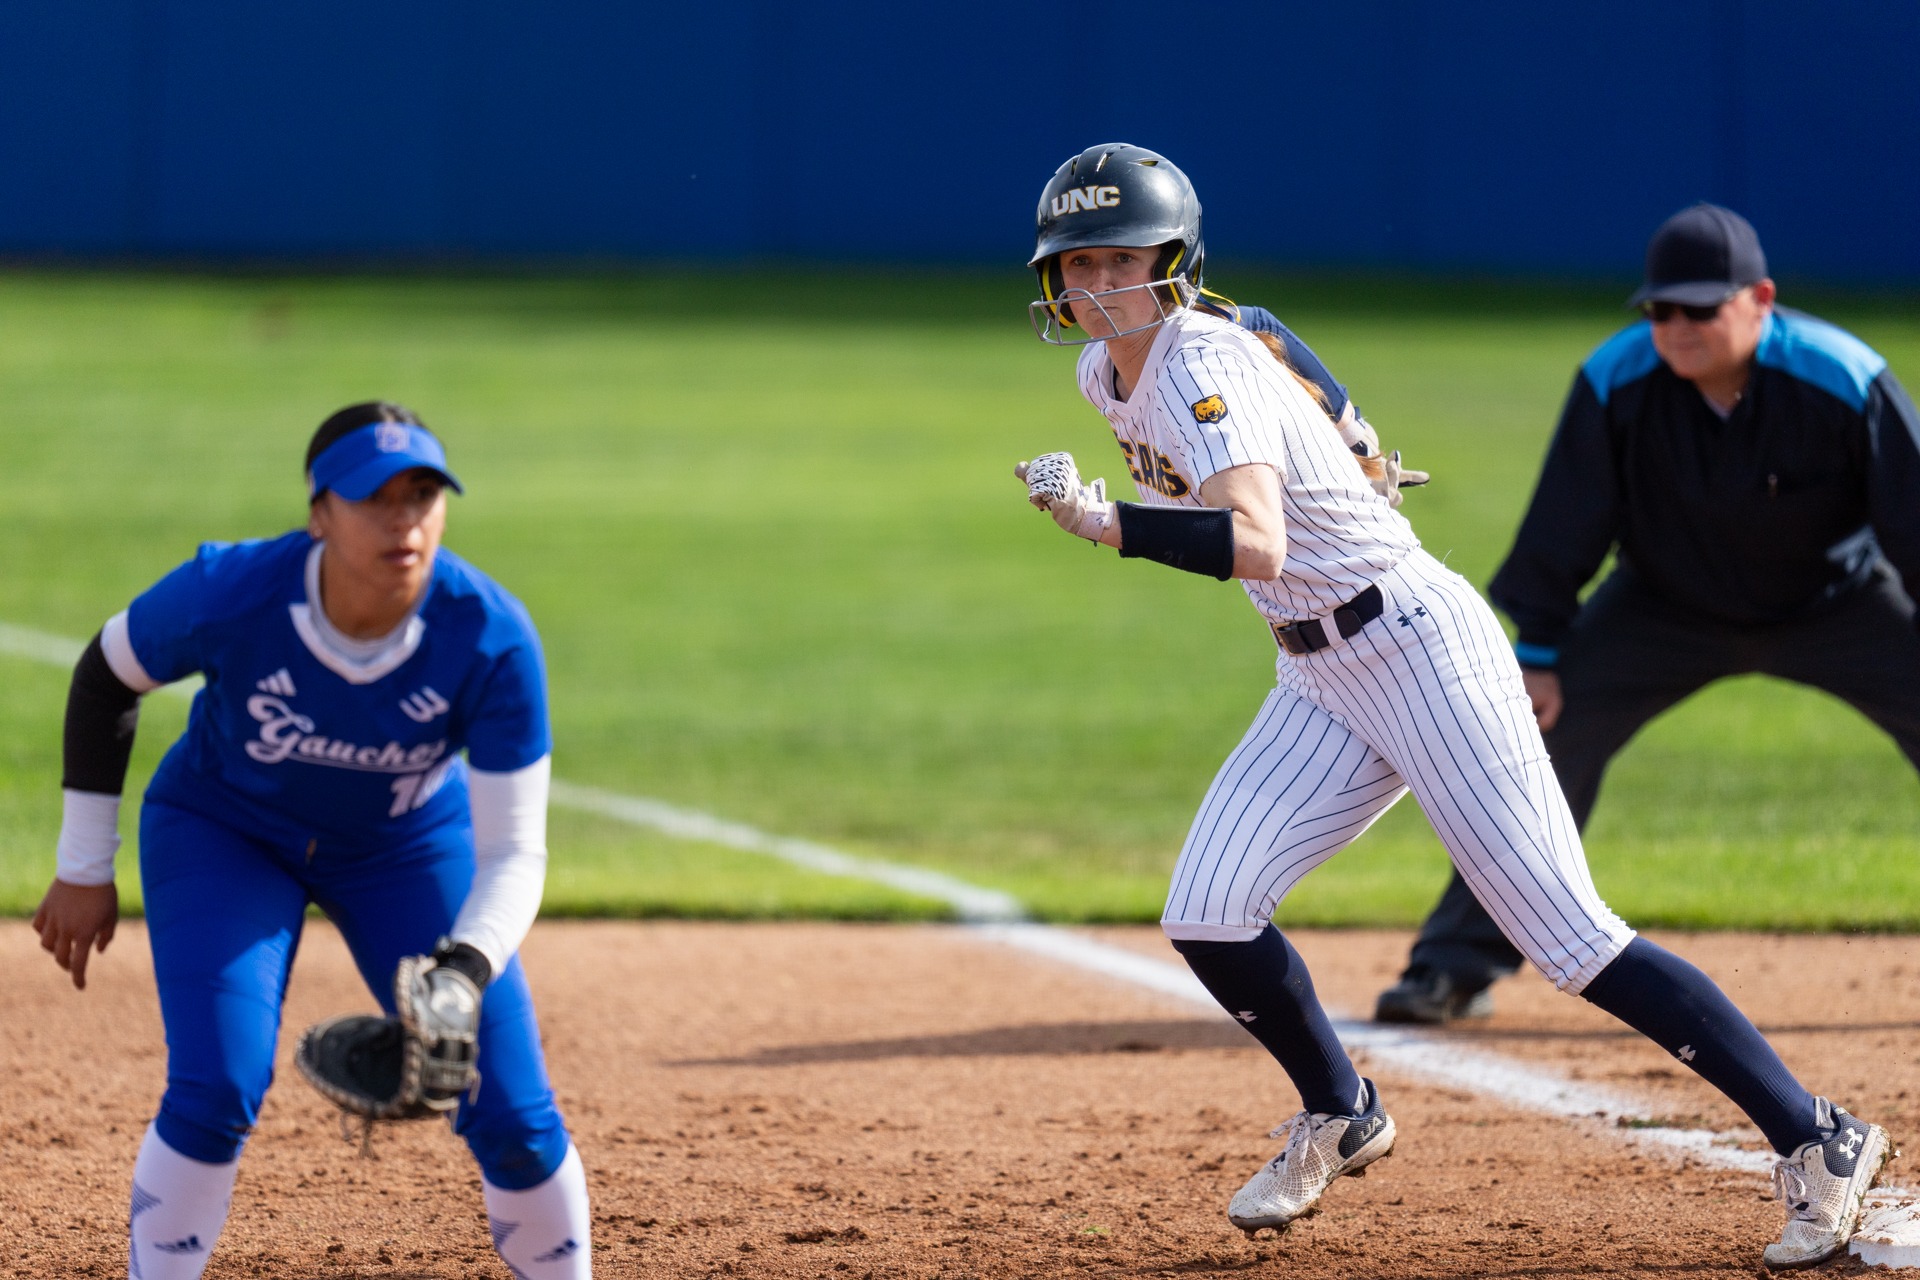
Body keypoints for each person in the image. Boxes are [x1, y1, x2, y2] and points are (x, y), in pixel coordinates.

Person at [1014, 145, 1891, 1269]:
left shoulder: (1198, 360)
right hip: (1319, 671)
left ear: (1173, 259)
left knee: (1570, 938)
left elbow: (1256, 541)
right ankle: (1342, 1109)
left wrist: (1107, 525)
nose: (1099, 285)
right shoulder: (1115, 370)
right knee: (1209, 907)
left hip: (1422, 649)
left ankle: (1818, 1134)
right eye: (1078, 263)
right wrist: (1356, 450)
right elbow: (1299, 400)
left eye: (1123, 258)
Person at [30, 404, 593, 1279]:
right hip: (225, 834)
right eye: (375, 498)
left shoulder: (489, 634)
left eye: (423, 495)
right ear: (320, 514)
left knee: (512, 1110)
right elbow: (106, 677)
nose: (403, 520)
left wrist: (464, 967)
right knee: (217, 1084)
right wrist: (81, 867)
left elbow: (516, 851)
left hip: (405, 848)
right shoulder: (233, 592)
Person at [1375, 203, 1920, 1027]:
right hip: (1665, 607)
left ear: (1760, 299)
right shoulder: (1617, 378)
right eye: (1660, 309)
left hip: (1836, 603)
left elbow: (1913, 518)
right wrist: (1543, 652)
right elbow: (1566, 522)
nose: (1677, 325)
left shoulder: (1842, 376)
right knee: (1533, 739)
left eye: (1701, 307)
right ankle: (1455, 965)